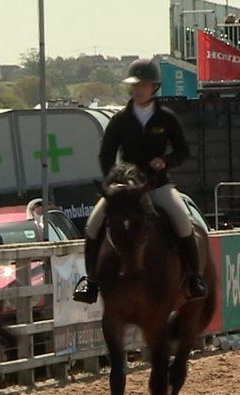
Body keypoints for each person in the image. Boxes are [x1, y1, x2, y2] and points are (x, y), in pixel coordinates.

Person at [73, 58, 207, 304]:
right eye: (135, 85)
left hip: (157, 184)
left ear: (154, 87)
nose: (138, 89)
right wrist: (113, 182)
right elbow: (106, 154)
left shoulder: (166, 118)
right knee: (93, 226)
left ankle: (194, 277)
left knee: (183, 222)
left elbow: (183, 151)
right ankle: (90, 282)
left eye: (143, 85)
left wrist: (166, 161)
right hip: (125, 189)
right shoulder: (120, 120)